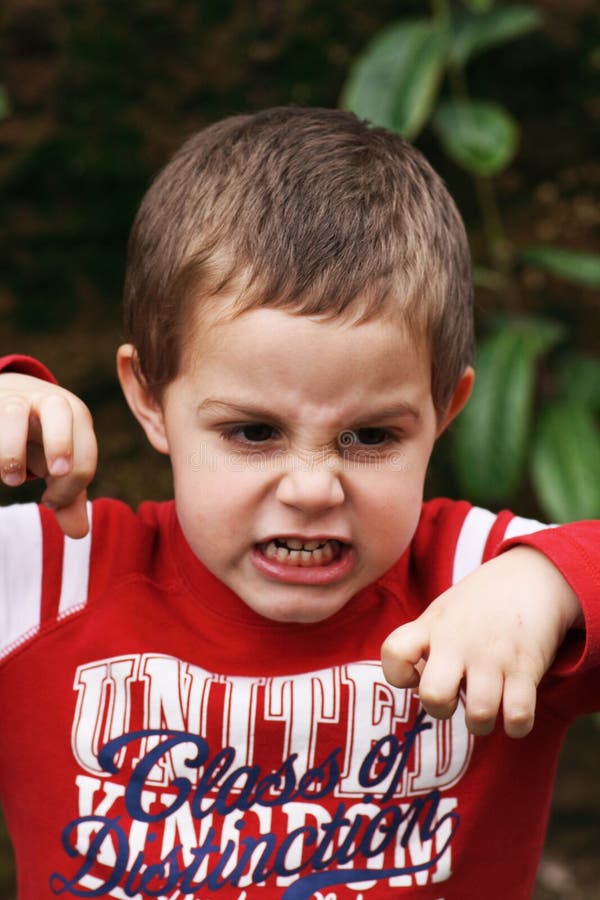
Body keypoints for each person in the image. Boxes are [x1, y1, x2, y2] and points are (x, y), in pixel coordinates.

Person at [0, 107, 597, 900]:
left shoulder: (477, 580)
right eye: (253, 432)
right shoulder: (50, 576)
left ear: (445, 412)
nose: (313, 488)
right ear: (148, 398)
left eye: (371, 437)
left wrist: (552, 583)